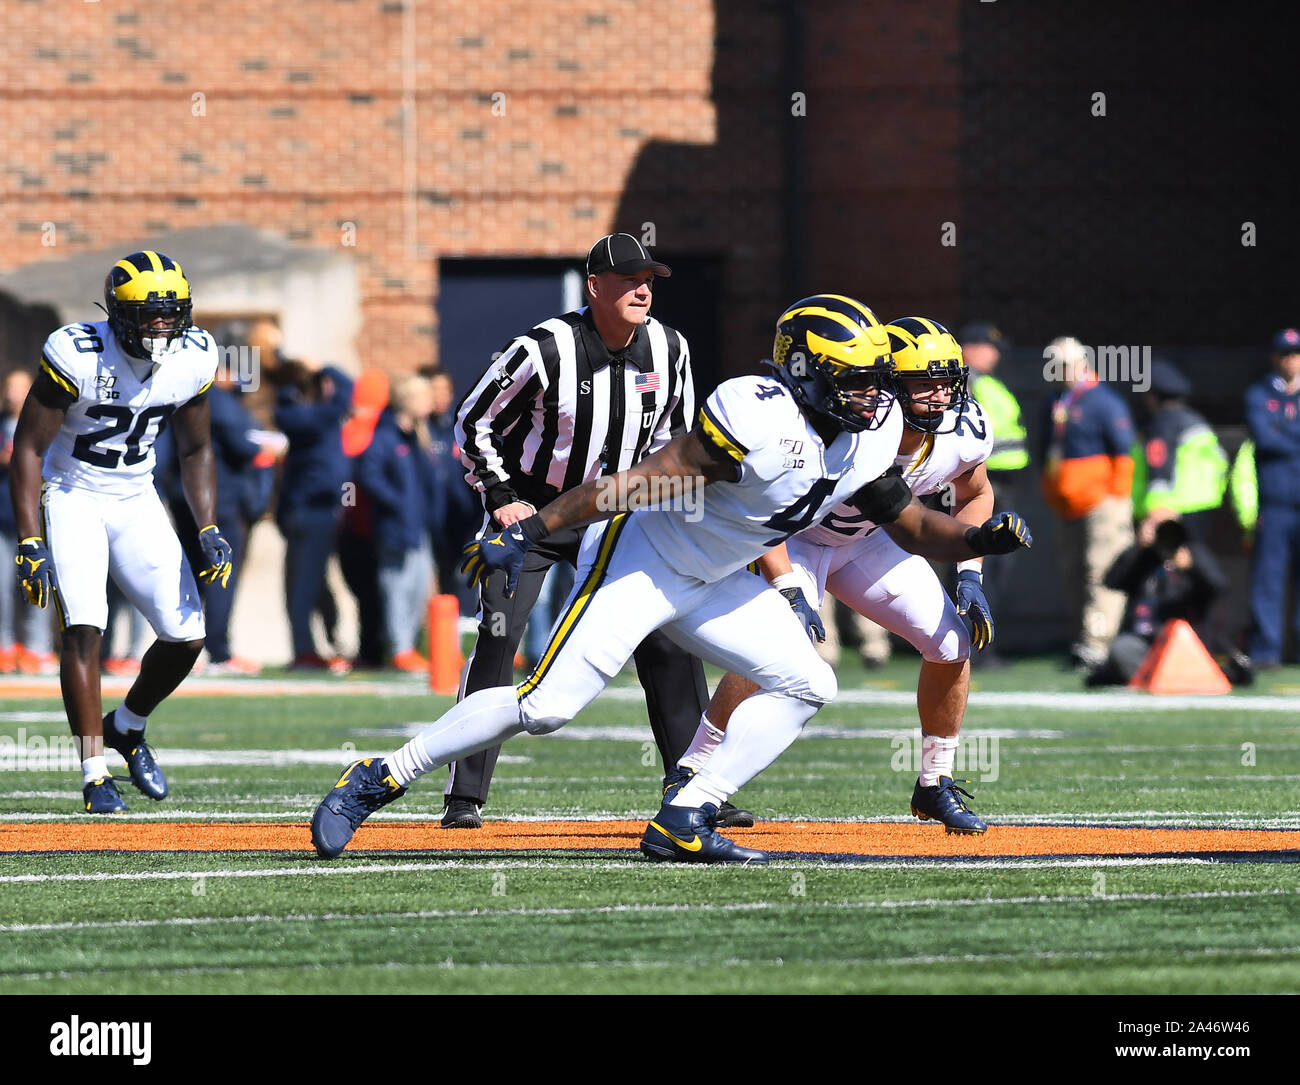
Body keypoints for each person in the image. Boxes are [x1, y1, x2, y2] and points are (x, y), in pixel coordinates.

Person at [310, 294, 1032, 864]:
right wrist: (530, 530)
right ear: (808, 372)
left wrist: (976, 540)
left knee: (810, 683)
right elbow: (635, 482)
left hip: (715, 574)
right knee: (547, 705)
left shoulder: (865, 436)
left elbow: (907, 522)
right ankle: (378, 776)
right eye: (856, 381)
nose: (875, 397)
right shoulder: (757, 415)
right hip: (644, 560)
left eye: (878, 382)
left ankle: (687, 813)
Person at [440, 232, 739, 830]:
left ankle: (696, 787)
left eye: (649, 280)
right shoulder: (543, 348)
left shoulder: (670, 347)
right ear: (594, 286)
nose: (643, 290)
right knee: (501, 636)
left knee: (667, 637)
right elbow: (472, 422)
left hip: (622, 514)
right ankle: (465, 796)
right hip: (536, 513)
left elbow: (675, 444)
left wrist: (671, 509)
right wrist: (500, 500)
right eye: (630, 280)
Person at [684, 318, 1000, 834]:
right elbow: (768, 511)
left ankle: (934, 783)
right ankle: (692, 770)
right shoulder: (849, 422)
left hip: (868, 541)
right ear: (889, 382)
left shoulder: (962, 429)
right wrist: (788, 588)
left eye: (948, 380)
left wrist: (969, 574)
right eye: (924, 381)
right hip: (795, 537)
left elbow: (974, 493)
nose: (941, 395)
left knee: (950, 641)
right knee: (772, 647)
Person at [9, 250, 233, 813]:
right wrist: (30, 538)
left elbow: (197, 446)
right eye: (148, 314)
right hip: (73, 492)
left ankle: (128, 726)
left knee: (188, 636)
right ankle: (93, 773)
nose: (162, 326)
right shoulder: (79, 353)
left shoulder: (194, 355)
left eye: (171, 313)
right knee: (84, 627)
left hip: (135, 494)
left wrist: (207, 525)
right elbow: (29, 448)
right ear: (117, 313)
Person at [1038, 336, 1135, 669]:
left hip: (1101, 503)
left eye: (1065, 365)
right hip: (1069, 505)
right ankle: (1084, 639)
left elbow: (1124, 451)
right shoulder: (1057, 401)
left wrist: (1116, 497)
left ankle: (1097, 643)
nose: (1060, 372)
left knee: (1100, 574)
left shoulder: (1102, 401)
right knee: (1074, 574)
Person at [273, 359, 354, 673]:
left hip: (303, 512)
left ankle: (319, 646)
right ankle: (305, 651)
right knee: (305, 586)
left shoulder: (296, 414)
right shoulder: (316, 416)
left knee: (311, 583)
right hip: (314, 512)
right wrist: (326, 368)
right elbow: (347, 389)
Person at [354, 374, 438, 671]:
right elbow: (369, 475)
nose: (430, 402)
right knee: (396, 588)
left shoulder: (418, 436)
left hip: (418, 527)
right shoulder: (386, 435)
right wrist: (396, 504)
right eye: (424, 396)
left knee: (417, 589)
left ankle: (409, 647)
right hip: (395, 528)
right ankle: (399, 648)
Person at [1085, 518, 1230, 686]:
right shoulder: (1143, 558)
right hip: (1145, 641)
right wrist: (1137, 548)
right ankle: (1154, 678)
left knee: (1217, 659)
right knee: (1122, 649)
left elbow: (1219, 587)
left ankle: (1163, 678)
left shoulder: (1193, 553)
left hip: (1183, 643)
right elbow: (1111, 581)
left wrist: (1192, 567)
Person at [959, 321, 1028, 668]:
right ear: (969, 348)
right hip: (982, 486)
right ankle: (974, 647)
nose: (996, 354)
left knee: (995, 568)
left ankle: (981, 646)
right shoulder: (965, 382)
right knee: (979, 565)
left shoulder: (987, 383)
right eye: (989, 347)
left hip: (1000, 487)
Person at [1244, 327, 1300, 668]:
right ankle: (1266, 650)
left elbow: (1276, 435)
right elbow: (1264, 438)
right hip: (1275, 501)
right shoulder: (1259, 393)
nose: (1292, 361)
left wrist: (1283, 431)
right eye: (1286, 354)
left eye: (1296, 354)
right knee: (1269, 579)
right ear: (1275, 358)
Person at [1130, 358, 1227, 546]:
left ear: (1153, 396)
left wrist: (1158, 508)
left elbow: (1160, 465)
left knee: (1172, 565)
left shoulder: (1162, 424)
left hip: (1172, 508)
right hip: (1203, 504)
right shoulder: (1196, 420)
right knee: (1193, 560)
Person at [1, 368, 56, 675]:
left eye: (20, 388)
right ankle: (5, 649)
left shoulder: (46, 422)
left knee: (39, 583)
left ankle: (37, 649)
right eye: (10, 387)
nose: (13, 394)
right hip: (2, 518)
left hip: (37, 520)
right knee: (1, 590)